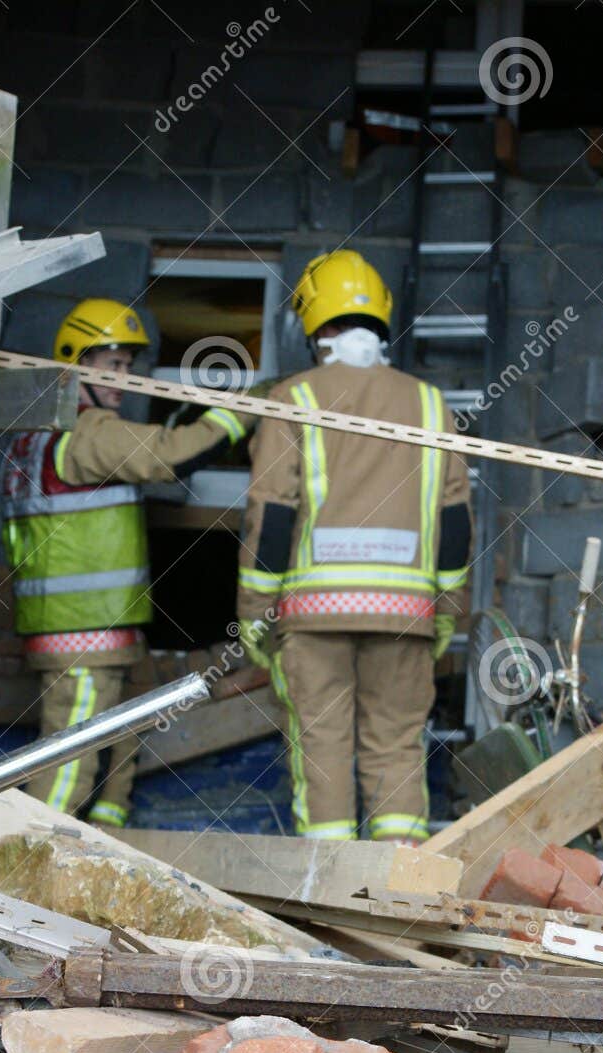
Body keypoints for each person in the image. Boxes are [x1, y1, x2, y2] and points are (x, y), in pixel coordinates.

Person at [236, 251, 472, 844]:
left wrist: (253, 615)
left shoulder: (294, 397)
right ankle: (401, 899)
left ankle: (330, 906)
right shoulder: (428, 402)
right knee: (396, 747)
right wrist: (449, 609)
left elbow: (273, 515)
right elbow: (456, 520)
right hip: (406, 616)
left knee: (321, 748)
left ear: (314, 322)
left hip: (313, 617)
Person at [1, 297, 250, 826]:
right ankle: (26, 858)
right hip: (85, 633)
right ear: (78, 362)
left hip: (80, 629)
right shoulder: (87, 430)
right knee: (69, 760)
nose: (125, 378)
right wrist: (238, 415)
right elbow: (167, 454)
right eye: (112, 364)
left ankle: (108, 830)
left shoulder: (37, 433)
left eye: (129, 366)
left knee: (129, 719)